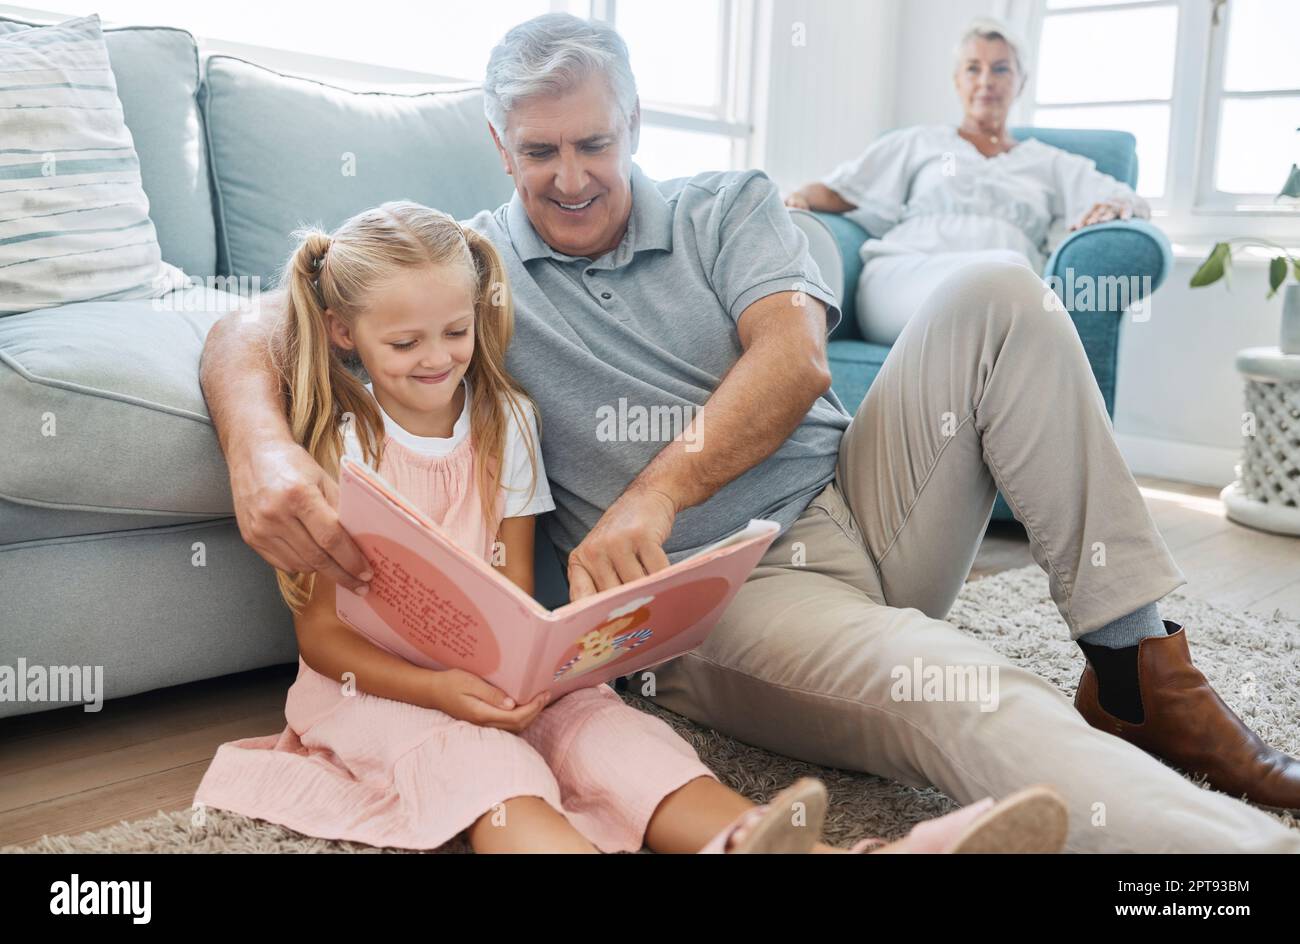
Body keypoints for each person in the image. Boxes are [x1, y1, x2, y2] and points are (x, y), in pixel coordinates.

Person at [199, 13, 1300, 852]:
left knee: (1001, 289)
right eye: (539, 153)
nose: (571, 177)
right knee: (957, 680)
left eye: (594, 143)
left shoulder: (728, 205)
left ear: (635, 127)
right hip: (727, 595)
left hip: (860, 506)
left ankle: (1133, 667)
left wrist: (656, 484)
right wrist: (259, 442)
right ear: (499, 145)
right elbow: (266, 310)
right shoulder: (471, 276)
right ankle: (1231, 858)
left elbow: (794, 360)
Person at [192, 200, 1062, 853]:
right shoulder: (343, 448)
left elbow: (509, 593)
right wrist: (441, 691)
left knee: (614, 735)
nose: (438, 358)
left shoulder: (506, 423)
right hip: (378, 690)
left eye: (456, 330)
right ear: (344, 335)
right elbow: (321, 642)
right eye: (405, 342)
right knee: (491, 770)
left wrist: (558, 658)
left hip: (494, 676)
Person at [784, 18, 1147, 345]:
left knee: (1011, 283)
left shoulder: (1050, 162)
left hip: (1006, 297)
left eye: (1001, 69)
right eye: (973, 69)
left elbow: (1125, 199)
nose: (986, 81)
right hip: (905, 278)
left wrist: (1117, 204)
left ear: (1021, 82)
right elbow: (837, 190)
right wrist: (800, 195)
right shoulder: (918, 142)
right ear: (958, 81)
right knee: (1011, 277)